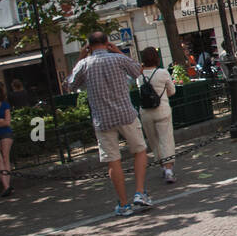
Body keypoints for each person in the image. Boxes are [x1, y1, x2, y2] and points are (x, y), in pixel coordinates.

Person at [67, 30, 151, 216]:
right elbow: (138, 70)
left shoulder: (84, 64)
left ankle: (123, 204)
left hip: (102, 119)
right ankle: (139, 193)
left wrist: (81, 57)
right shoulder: (117, 59)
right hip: (125, 113)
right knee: (140, 150)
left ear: (88, 46)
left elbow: (71, 85)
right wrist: (118, 51)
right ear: (107, 43)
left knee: (113, 161)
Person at [137, 46, 178, 185]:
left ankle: (162, 165)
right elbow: (172, 91)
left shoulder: (140, 75)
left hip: (146, 113)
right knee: (166, 139)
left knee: (154, 141)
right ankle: (168, 170)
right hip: (162, 110)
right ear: (157, 58)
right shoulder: (163, 73)